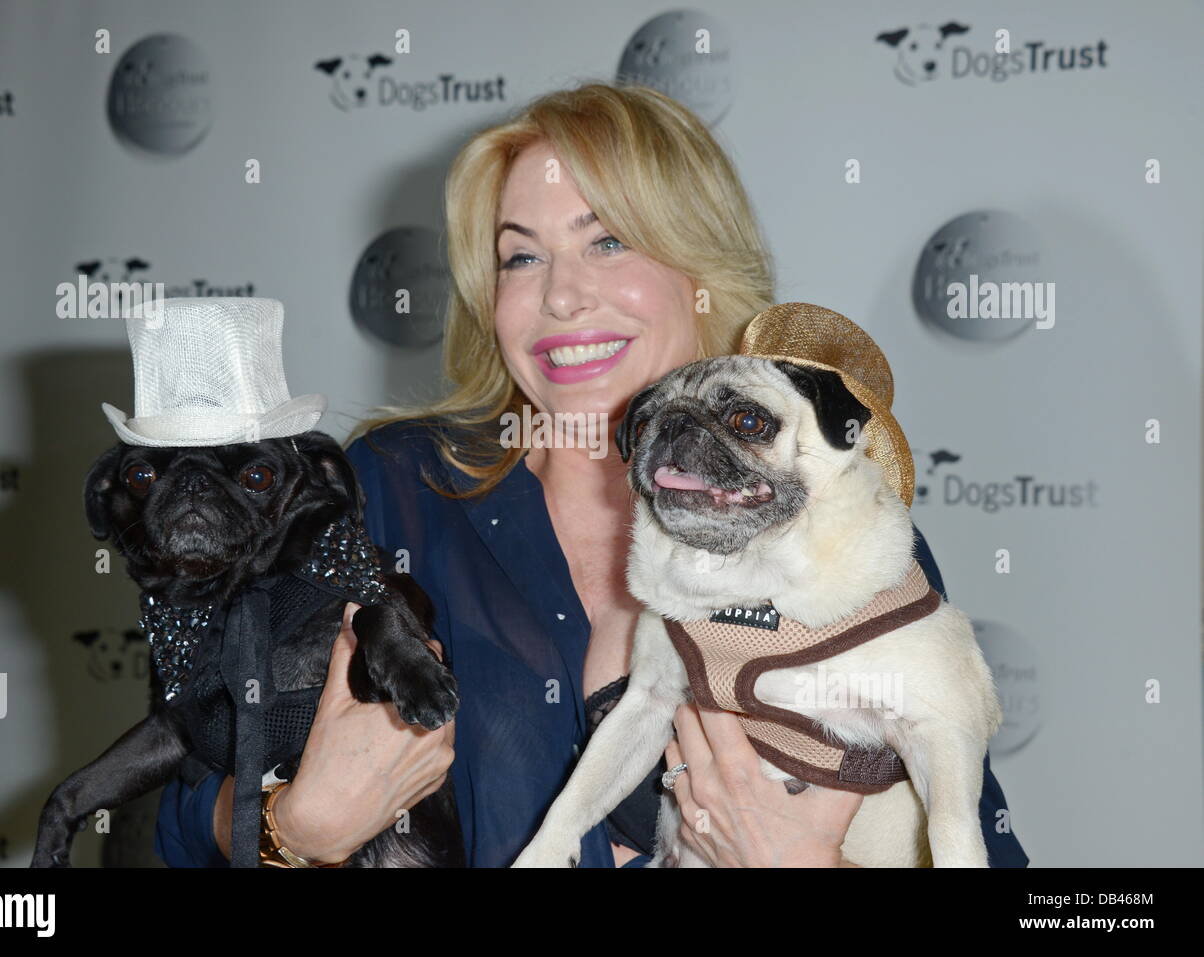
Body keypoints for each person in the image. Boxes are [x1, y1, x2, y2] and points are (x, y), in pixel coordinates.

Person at [154, 82, 1028, 868]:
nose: (562, 297)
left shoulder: (839, 523)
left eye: (607, 241)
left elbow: (990, 849)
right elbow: (189, 810)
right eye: (520, 257)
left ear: (700, 271)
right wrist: (294, 830)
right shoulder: (392, 490)